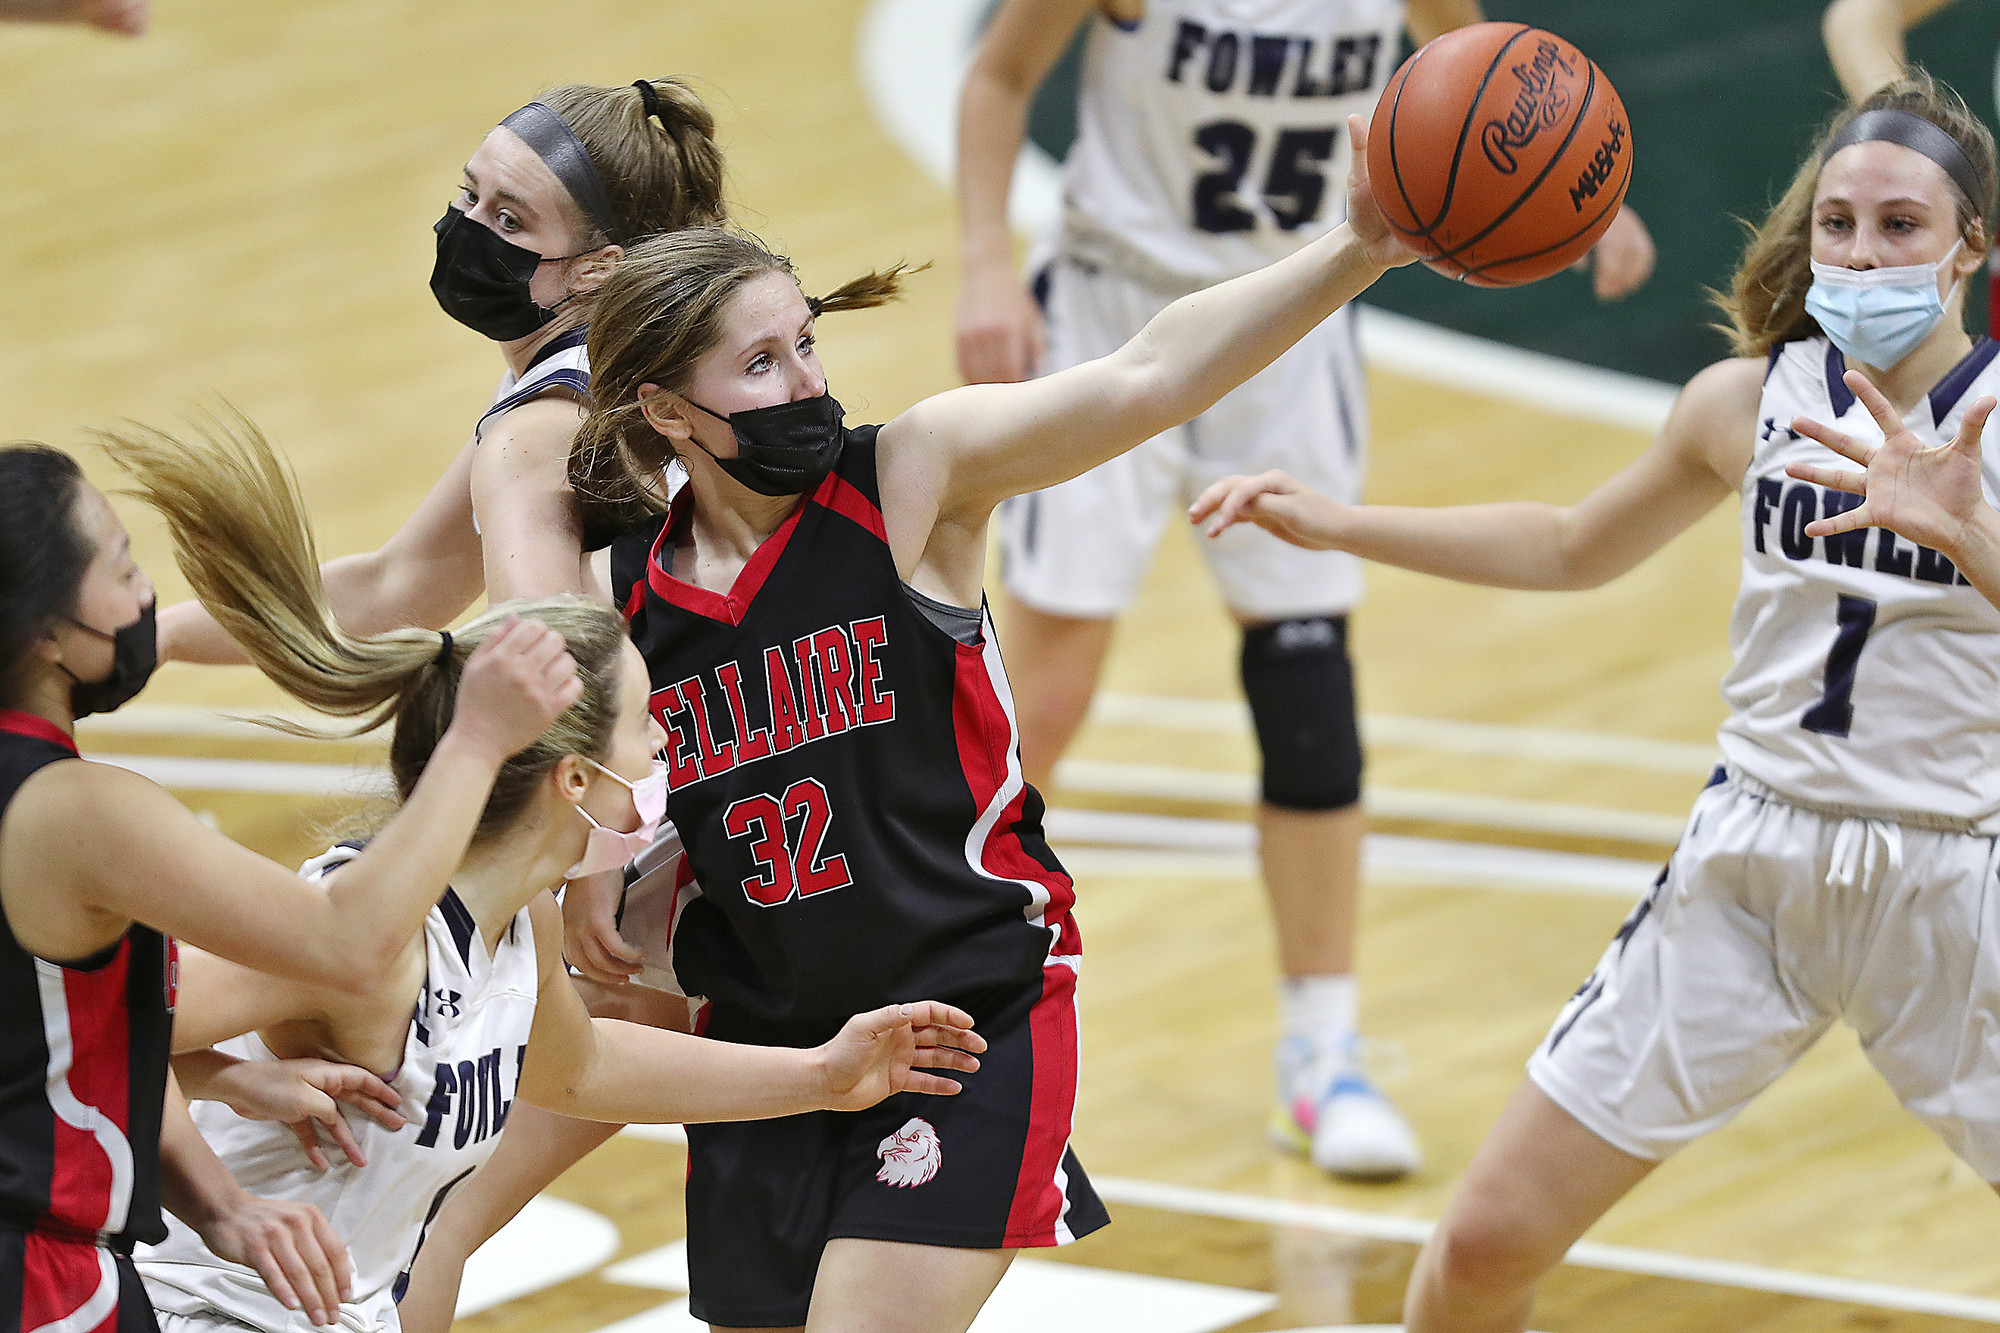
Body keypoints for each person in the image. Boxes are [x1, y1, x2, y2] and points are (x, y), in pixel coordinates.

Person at [1190, 72, 2000, 1333]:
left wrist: (1972, 540)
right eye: (1836, 222)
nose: (1858, 250)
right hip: (1751, 868)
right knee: (1479, 1246)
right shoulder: (1747, 403)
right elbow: (1569, 543)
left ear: (1969, 247)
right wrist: (1335, 522)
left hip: (1959, 889)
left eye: (1898, 225)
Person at [953, 0, 1657, 1180]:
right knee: (1043, 699)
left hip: (1292, 312)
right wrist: (984, 263)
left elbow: (1486, 89)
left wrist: (1571, 195)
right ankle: (955, 986)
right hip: (1111, 312)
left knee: (1304, 685)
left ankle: (1320, 1056)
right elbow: (994, 80)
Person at [90, 419, 981, 1333]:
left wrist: (823, 1075)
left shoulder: (523, 925)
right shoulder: (373, 934)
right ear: (575, 777)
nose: (668, 741)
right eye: (645, 722)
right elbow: (83, 1024)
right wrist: (231, 1085)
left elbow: (582, 1068)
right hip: (190, 1308)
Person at [0, 434, 581, 1333]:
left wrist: (221, 1139)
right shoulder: (73, 811)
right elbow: (348, 940)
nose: (146, 596)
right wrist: (477, 739)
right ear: (43, 630)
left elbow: (64, 1031)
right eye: (121, 569)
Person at [158, 75, 725, 663]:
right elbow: (396, 587)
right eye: (469, 192)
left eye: (509, 221)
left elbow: (541, 670)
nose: (466, 227)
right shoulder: (631, 357)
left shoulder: (545, 425)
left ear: (597, 269)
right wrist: (165, 638)